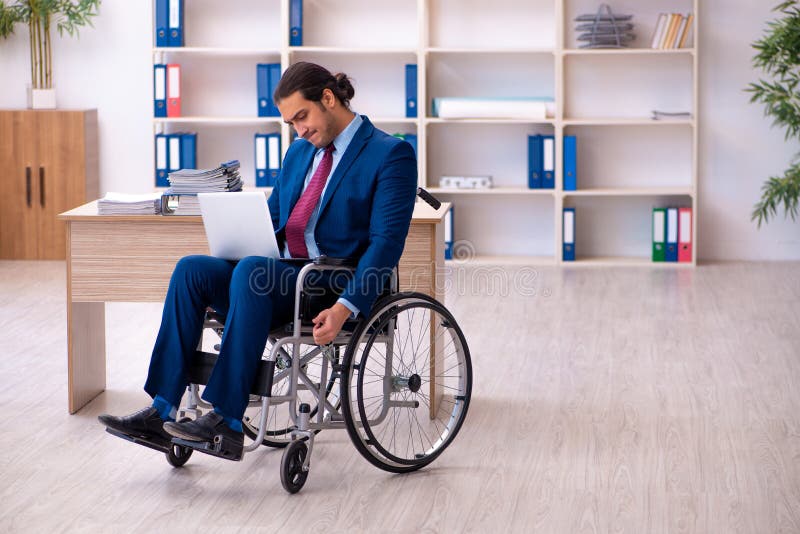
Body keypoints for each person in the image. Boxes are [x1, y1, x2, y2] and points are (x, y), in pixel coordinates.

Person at [98, 61, 418, 460]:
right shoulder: (300, 152)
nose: (299, 129)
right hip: (276, 277)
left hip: (330, 282)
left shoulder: (390, 154)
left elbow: (386, 245)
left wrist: (344, 308)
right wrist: (237, 232)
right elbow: (272, 219)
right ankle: (162, 409)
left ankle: (228, 423)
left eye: (302, 116)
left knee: (252, 272)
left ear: (329, 98)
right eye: (291, 122)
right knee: (191, 269)